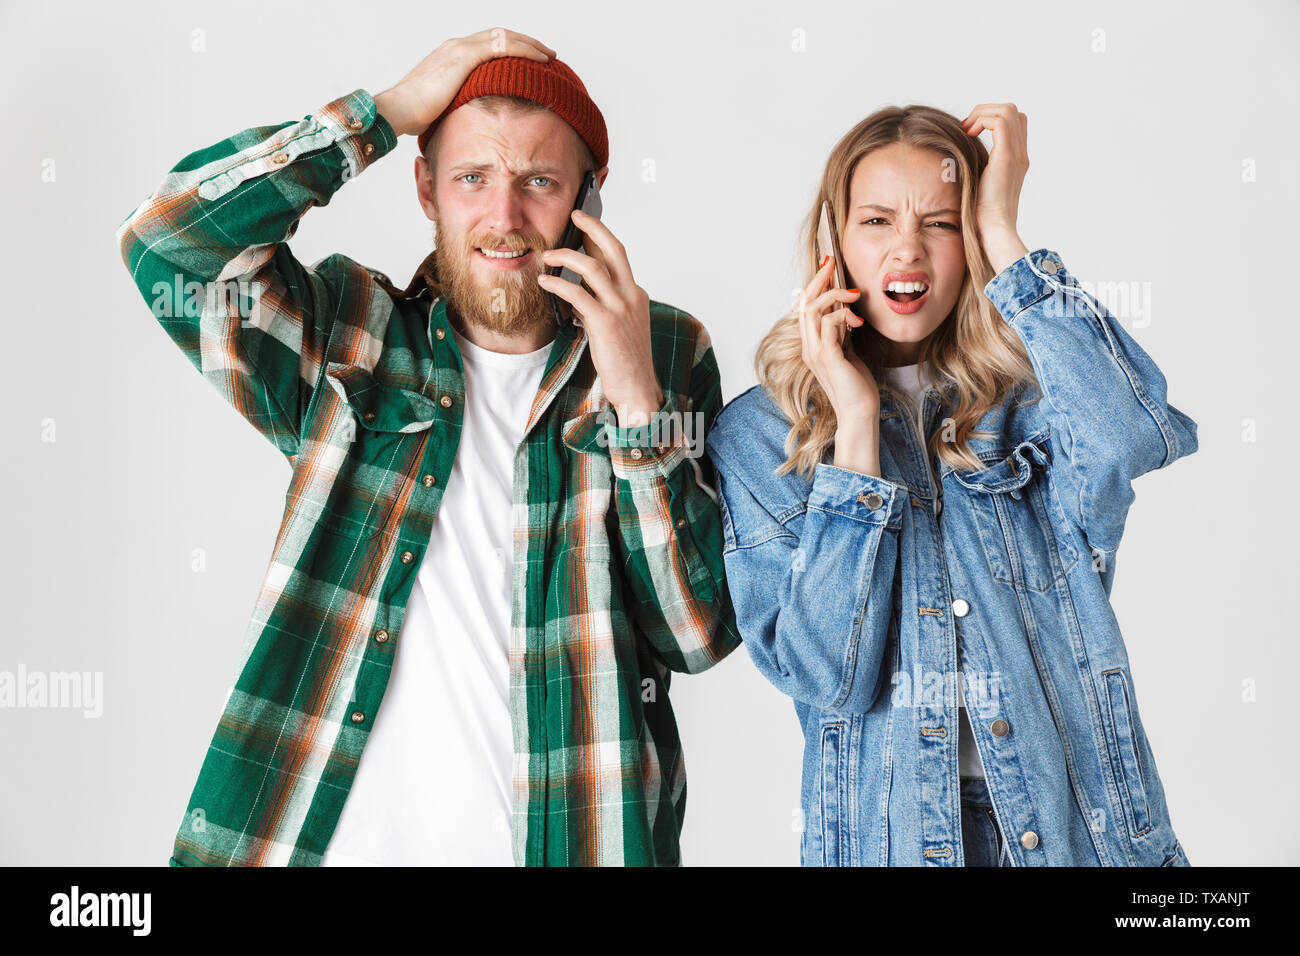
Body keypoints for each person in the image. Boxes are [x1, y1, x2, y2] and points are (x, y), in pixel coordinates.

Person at [116, 28, 740, 867]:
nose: (504, 217)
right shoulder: (351, 331)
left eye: (540, 182)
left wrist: (633, 395)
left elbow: (695, 634)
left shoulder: (664, 353)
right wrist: (380, 115)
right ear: (426, 187)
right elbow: (165, 244)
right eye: (472, 178)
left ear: (588, 201)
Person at [704, 102, 1197, 866]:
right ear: (835, 242)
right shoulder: (764, 436)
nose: (909, 250)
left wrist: (1003, 228)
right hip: (890, 841)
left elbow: (1133, 436)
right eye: (876, 221)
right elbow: (827, 676)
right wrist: (857, 426)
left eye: (941, 223)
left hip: (1081, 834)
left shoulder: (1032, 398)